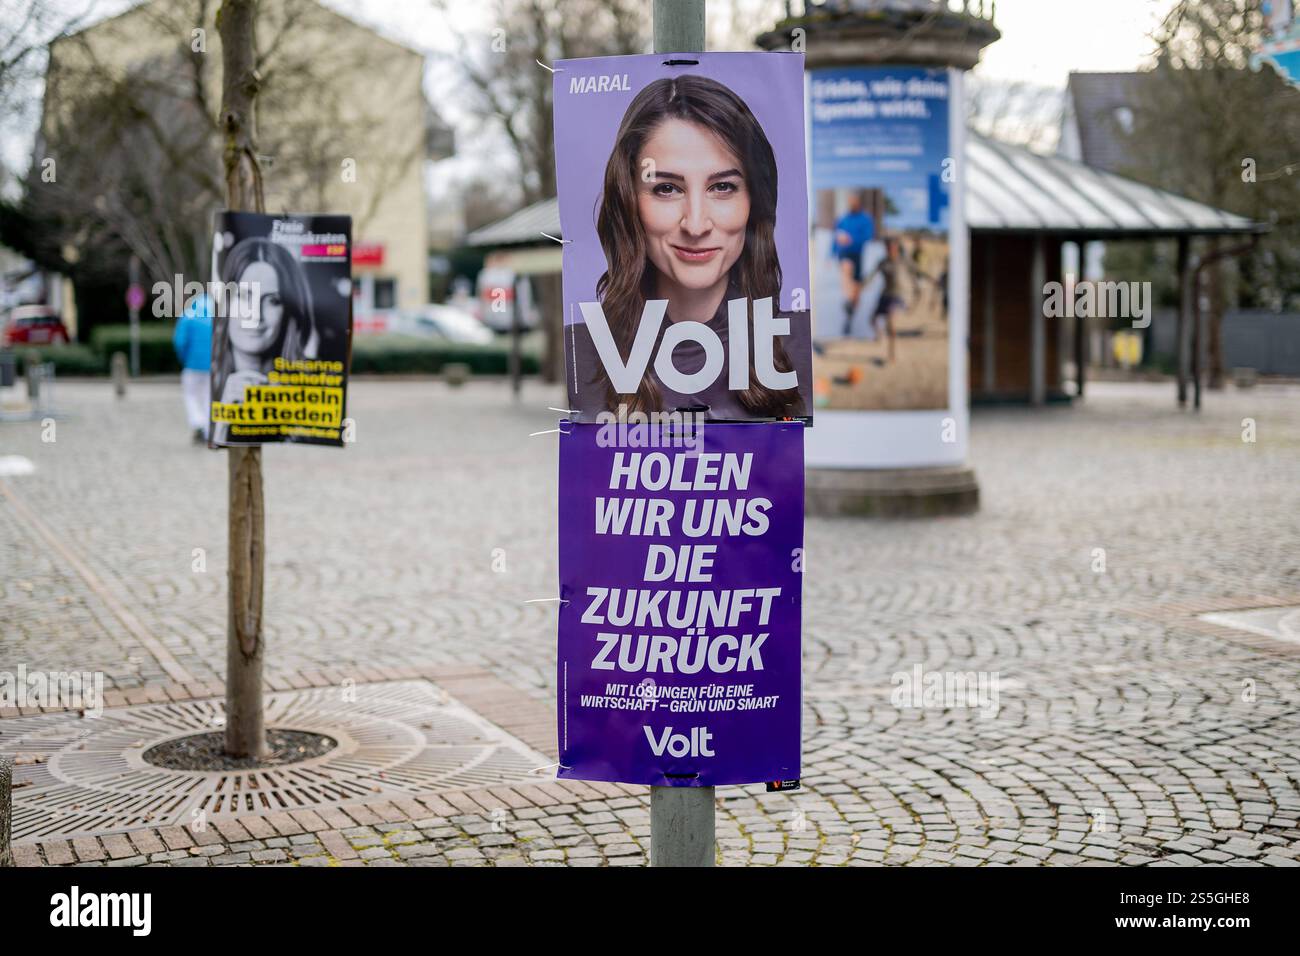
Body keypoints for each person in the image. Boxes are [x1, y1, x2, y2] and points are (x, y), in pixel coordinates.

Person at [571, 74, 808, 420]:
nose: (696, 225)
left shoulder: (801, 345)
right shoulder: (583, 352)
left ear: (755, 201)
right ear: (628, 201)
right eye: (667, 188)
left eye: (723, 187)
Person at [210, 237, 318, 444]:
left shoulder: (313, 383)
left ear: (289, 311)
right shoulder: (209, 379)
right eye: (244, 296)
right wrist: (222, 426)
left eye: (272, 301)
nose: (255, 315)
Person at [172, 292, 213, 443]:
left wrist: (184, 359)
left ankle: (198, 424)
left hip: (192, 365)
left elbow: (180, 342)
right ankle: (209, 429)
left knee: (191, 396)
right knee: (209, 397)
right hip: (212, 367)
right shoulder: (217, 317)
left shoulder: (188, 316)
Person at [833, 194, 874, 336]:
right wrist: (832, 253)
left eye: (853, 201)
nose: (851, 204)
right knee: (846, 269)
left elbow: (868, 236)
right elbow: (836, 237)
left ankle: (849, 317)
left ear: (858, 203)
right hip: (844, 254)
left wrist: (851, 239)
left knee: (857, 289)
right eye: (849, 201)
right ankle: (848, 300)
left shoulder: (865, 219)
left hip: (857, 253)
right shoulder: (843, 219)